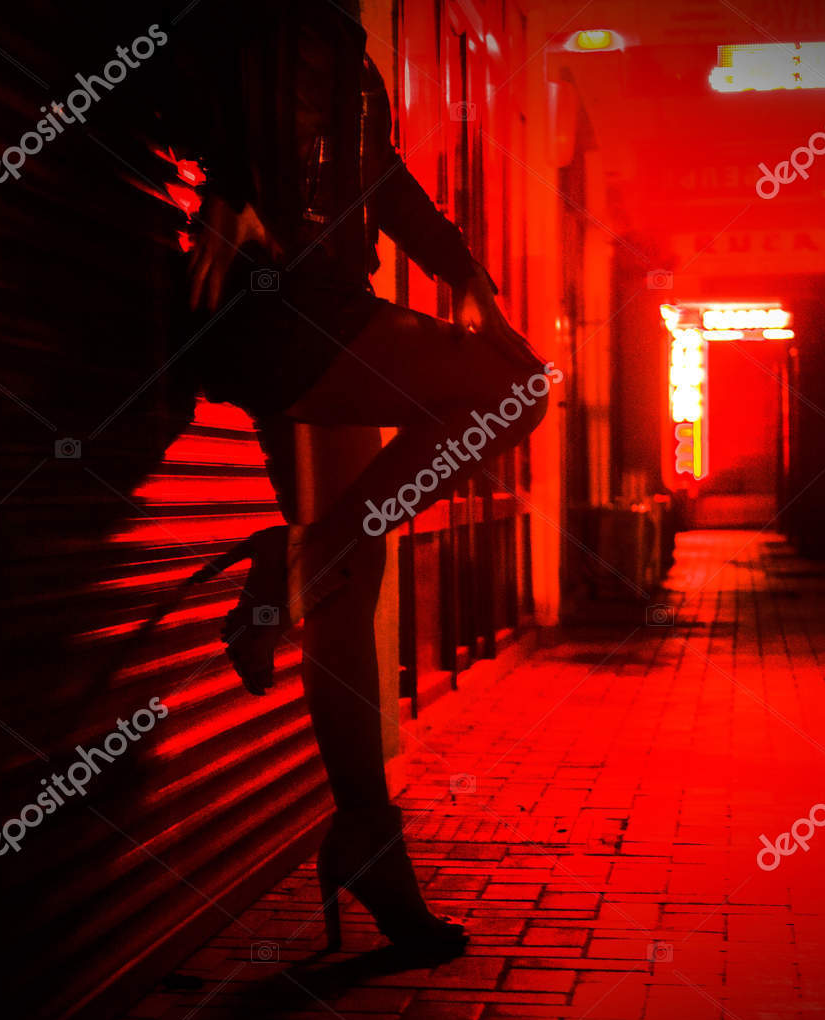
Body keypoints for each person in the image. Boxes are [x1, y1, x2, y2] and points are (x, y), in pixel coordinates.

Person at [152, 0, 549, 960]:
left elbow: (382, 181)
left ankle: (370, 841)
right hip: (287, 317)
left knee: (347, 583)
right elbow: (182, 78)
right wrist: (223, 193)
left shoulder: (341, 43)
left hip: (318, 315)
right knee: (517, 391)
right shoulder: (268, 18)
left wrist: (469, 280)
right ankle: (292, 561)